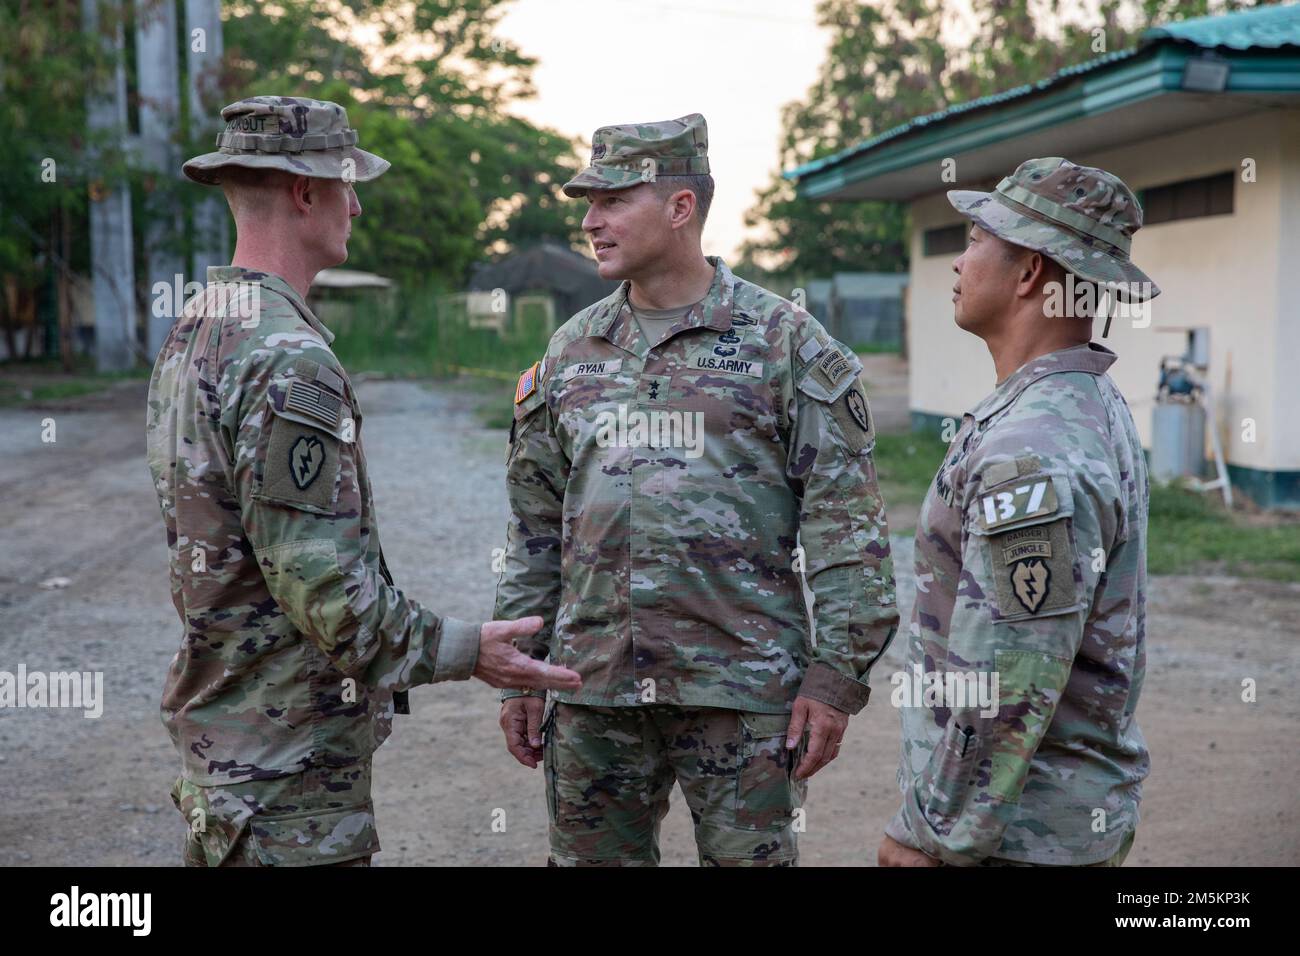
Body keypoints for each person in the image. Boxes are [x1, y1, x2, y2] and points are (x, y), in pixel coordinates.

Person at [148, 95, 579, 867]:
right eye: (346, 183)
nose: (355, 202)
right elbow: (333, 603)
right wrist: (468, 648)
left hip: (235, 750)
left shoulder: (199, 327)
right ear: (304, 192)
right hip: (286, 776)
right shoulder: (286, 357)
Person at [494, 114, 898, 866]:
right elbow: (534, 524)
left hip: (741, 693)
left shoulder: (785, 342)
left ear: (681, 208)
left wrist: (837, 676)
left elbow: (844, 526)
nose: (591, 220)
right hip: (592, 687)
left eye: (613, 200)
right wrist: (520, 668)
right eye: (587, 201)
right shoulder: (571, 347)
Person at [878, 157, 1155, 867]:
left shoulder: (1035, 446)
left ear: (1030, 272)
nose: (958, 262)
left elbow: (1007, 679)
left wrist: (930, 836)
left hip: (1009, 838)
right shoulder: (1072, 408)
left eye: (975, 238)